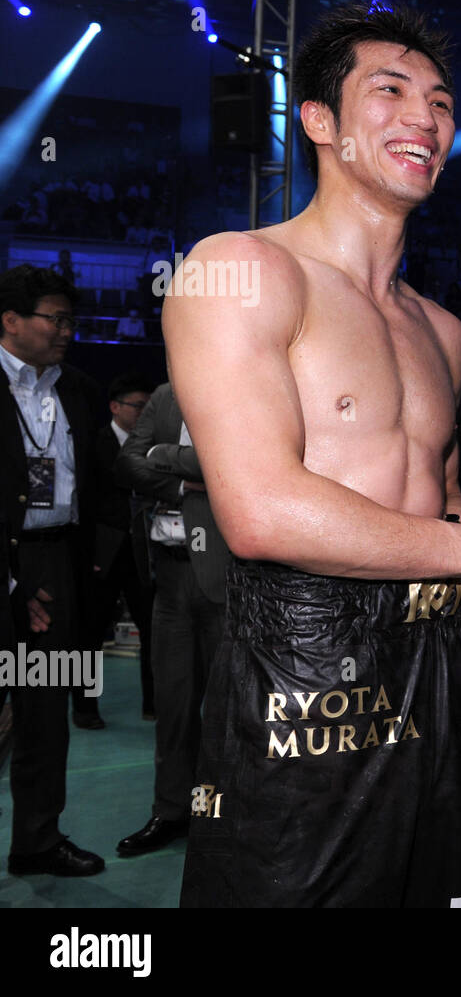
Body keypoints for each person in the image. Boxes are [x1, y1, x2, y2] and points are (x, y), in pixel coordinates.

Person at [163, 3, 461, 907]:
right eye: (388, 91)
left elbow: (439, 495)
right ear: (319, 122)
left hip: (445, 665)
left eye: (439, 101)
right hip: (306, 673)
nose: (423, 118)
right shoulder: (238, 272)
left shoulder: (442, 327)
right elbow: (262, 510)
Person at [1, 264, 104, 878]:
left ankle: (37, 842)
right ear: (10, 321)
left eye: (70, 320)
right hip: (6, 562)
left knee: (44, 712)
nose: (66, 330)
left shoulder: (80, 391)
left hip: (57, 562)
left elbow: (105, 483)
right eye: (54, 319)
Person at [114, 382, 231, 858]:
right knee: (173, 706)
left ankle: (221, 817)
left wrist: (165, 455)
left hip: (225, 575)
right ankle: (170, 811)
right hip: (169, 577)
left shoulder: (239, 387)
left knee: (227, 710)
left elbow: (225, 467)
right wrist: (184, 480)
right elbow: (127, 462)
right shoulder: (164, 397)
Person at [89, 371, 156, 721]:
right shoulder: (93, 442)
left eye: (149, 406)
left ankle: (153, 704)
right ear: (115, 407)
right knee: (91, 632)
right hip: (103, 550)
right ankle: (86, 708)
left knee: (153, 629)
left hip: (143, 549)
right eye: (138, 406)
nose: (144, 413)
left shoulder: (153, 445)